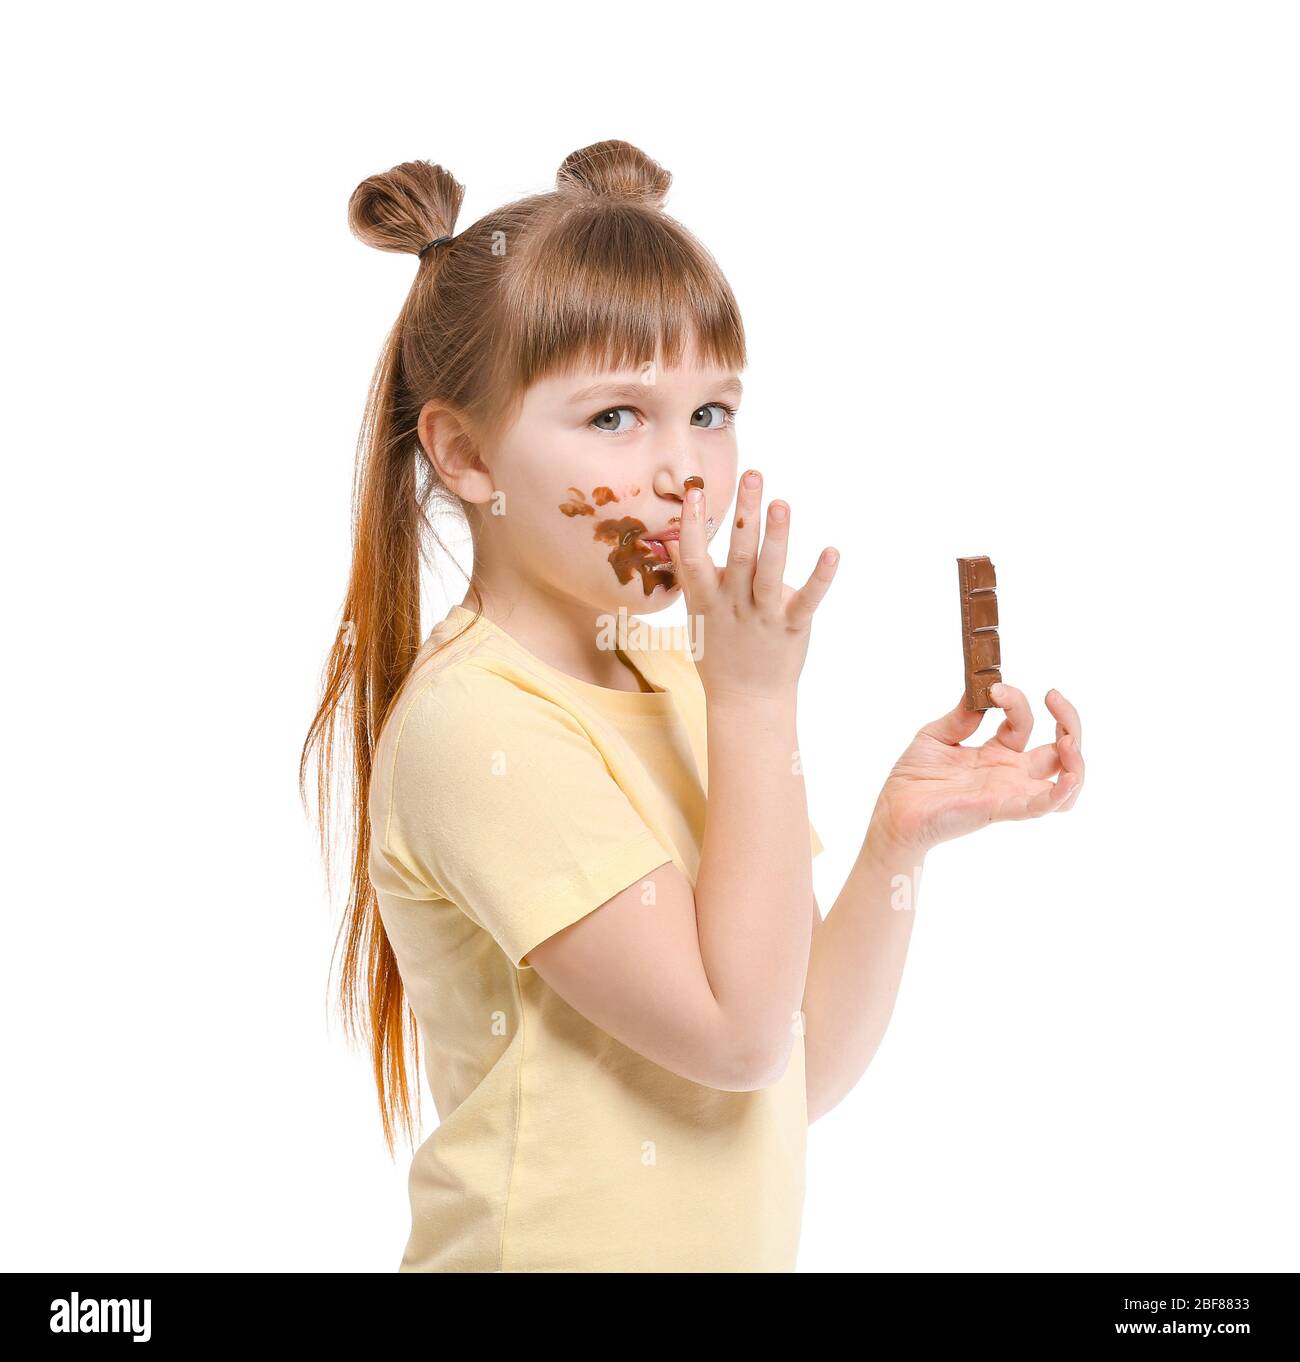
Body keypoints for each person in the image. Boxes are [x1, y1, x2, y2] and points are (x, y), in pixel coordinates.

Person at [300, 139, 1086, 1272]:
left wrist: (893, 840)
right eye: (616, 417)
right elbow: (735, 1042)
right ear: (467, 454)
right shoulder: (479, 728)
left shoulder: (677, 677)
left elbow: (795, 1061)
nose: (685, 471)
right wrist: (757, 707)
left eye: (712, 410)